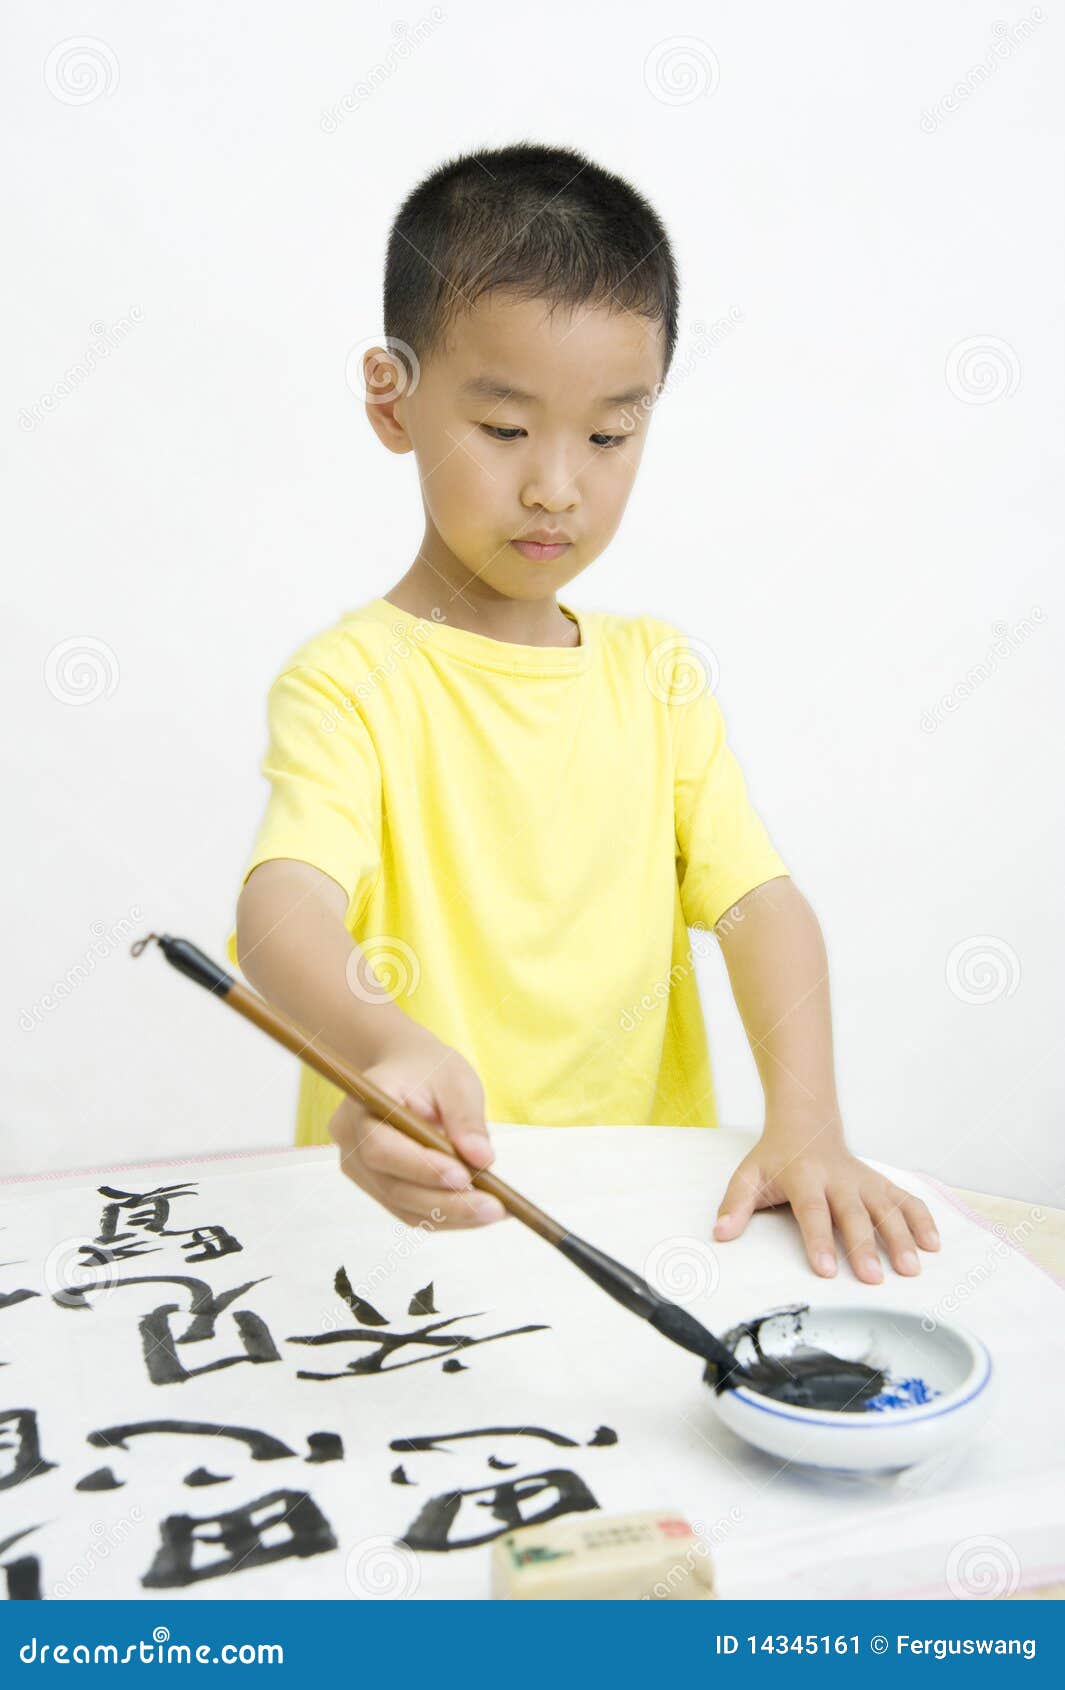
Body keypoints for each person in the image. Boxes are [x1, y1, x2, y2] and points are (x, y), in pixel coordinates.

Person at [227, 142, 939, 1285]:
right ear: (392, 396)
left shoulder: (656, 677)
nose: (559, 484)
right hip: (418, 1222)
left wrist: (806, 1121)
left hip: (639, 1217)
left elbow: (762, 905)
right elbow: (285, 905)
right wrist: (385, 1047)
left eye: (610, 435)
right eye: (505, 430)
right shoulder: (353, 681)